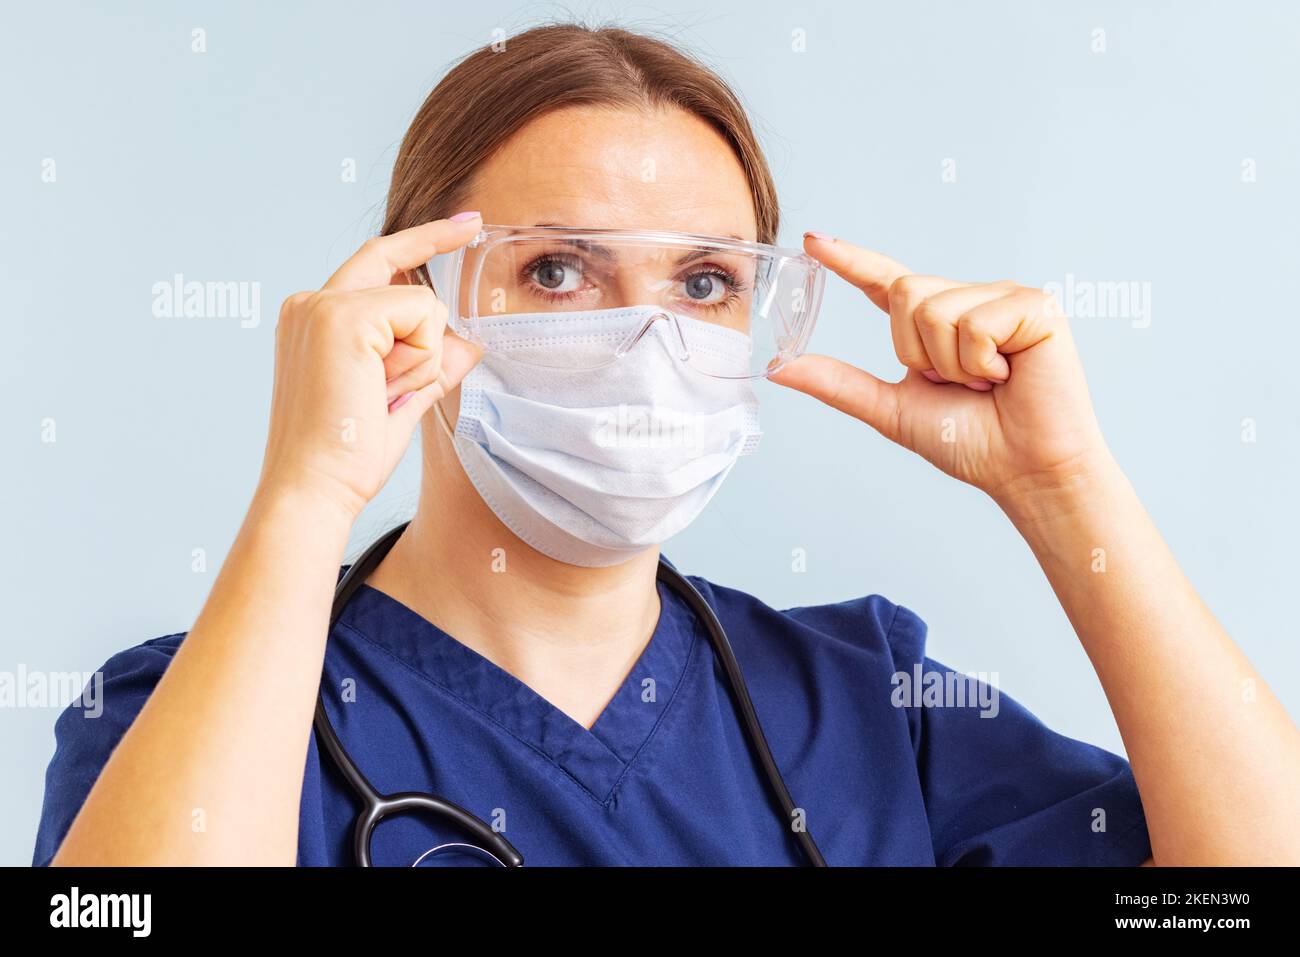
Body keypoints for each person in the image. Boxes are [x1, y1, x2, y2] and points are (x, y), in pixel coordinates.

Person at [35, 22, 1300, 867]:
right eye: (558, 268)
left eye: (702, 283)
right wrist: (304, 493)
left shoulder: (870, 705)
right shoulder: (198, 711)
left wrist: (1063, 486)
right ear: (410, 301)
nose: (645, 337)